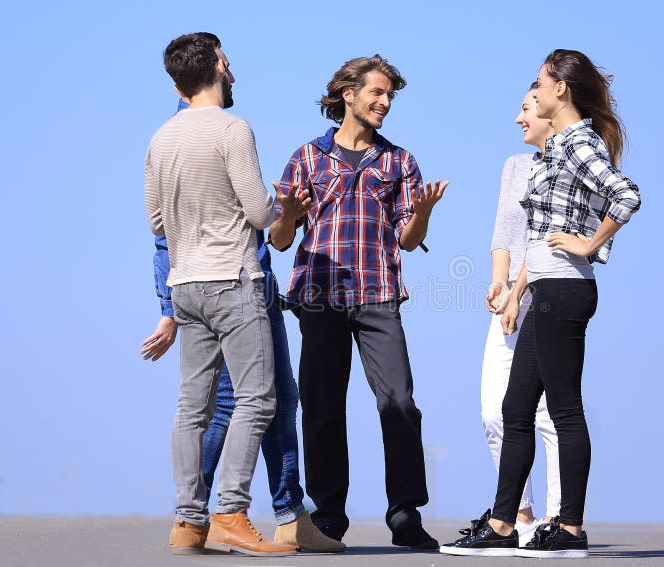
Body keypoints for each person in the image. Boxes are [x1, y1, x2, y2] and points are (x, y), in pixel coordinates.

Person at [440, 49, 641, 558]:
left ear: (560, 90)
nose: (534, 90)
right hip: (545, 290)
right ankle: (503, 523)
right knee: (515, 407)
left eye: (539, 82)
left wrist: (589, 245)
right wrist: (516, 290)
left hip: (566, 289)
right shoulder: (558, 149)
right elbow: (533, 235)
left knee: (564, 408)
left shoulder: (580, 143)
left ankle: (570, 529)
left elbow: (626, 196)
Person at [268, 54, 448, 550]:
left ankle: (405, 515)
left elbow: (408, 239)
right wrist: (287, 213)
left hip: (378, 295)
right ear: (348, 95)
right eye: (377, 92)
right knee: (322, 406)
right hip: (319, 296)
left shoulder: (399, 161)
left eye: (390, 95)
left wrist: (424, 214)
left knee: (399, 402)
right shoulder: (306, 157)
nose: (385, 102)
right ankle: (328, 516)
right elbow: (280, 241)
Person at [143, 32, 297, 557]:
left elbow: (156, 221)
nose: (231, 72)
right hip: (233, 280)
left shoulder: (160, 138)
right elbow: (258, 212)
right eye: (227, 63)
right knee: (258, 399)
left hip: (185, 285)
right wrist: (284, 209)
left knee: (193, 407)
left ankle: (189, 522)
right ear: (216, 66)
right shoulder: (234, 129)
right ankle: (230, 512)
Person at [481, 86, 560, 547]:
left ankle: (557, 518)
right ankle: (520, 515)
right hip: (510, 295)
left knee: (548, 414)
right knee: (495, 412)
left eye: (527, 108)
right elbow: (504, 233)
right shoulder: (515, 166)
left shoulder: (563, 167)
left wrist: (518, 295)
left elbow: (543, 241)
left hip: (545, 294)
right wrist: (499, 283)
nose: (518, 118)